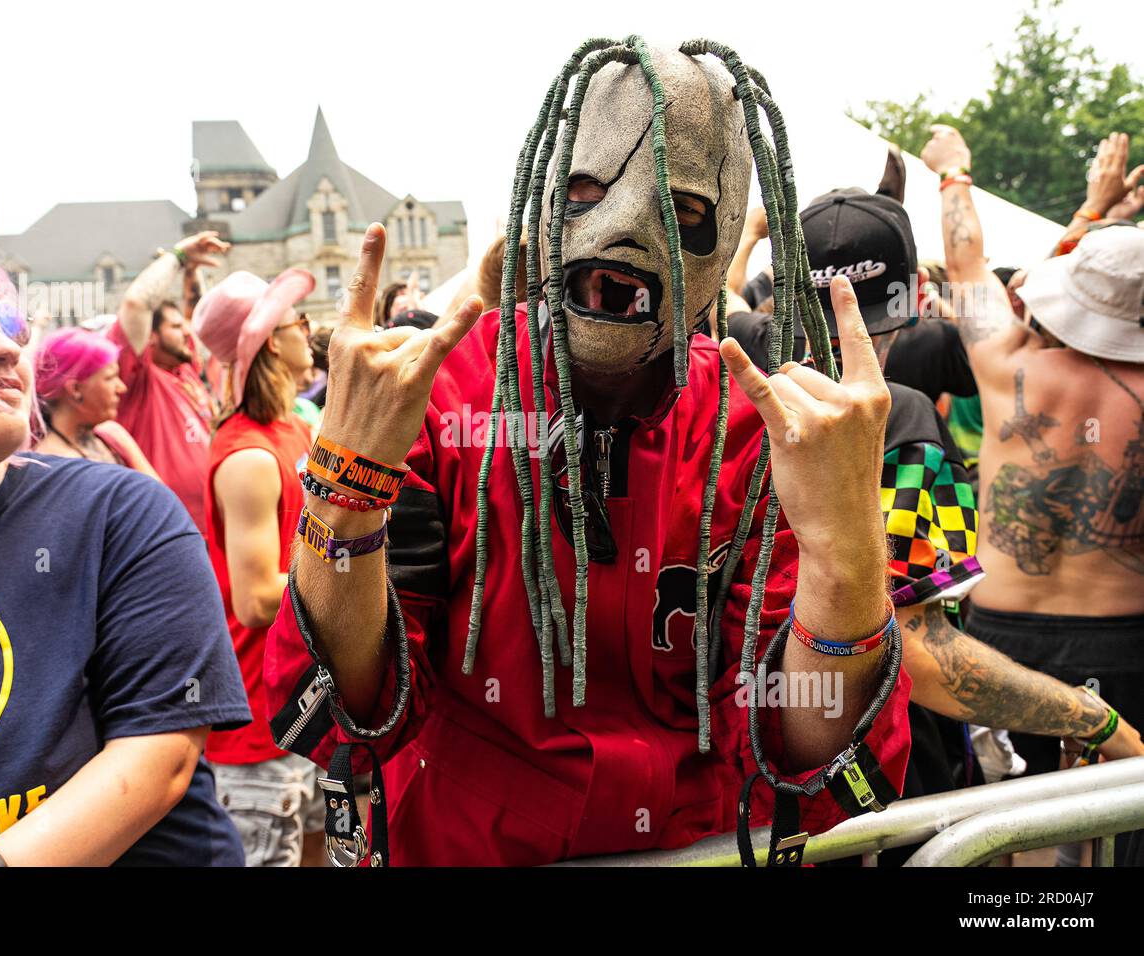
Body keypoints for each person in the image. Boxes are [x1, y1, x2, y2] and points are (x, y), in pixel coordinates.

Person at [265, 43, 913, 867]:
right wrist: (346, 486)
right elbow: (355, 715)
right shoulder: (444, 394)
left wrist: (847, 551)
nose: (627, 230)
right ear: (540, 199)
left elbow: (801, 748)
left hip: (700, 846)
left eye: (681, 209)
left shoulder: (763, 431)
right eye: (587, 192)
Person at [0, 199, 251, 866]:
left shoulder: (114, 515)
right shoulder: (150, 377)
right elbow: (135, 317)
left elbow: (160, 756)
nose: (7, 345)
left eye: (5, 320)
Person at [922, 123, 1144, 863]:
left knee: (1001, 821)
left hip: (1000, 635)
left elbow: (964, 260)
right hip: (1124, 641)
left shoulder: (1003, 362)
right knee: (1114, 826)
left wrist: (954, 172)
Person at [192, 269, 323, 867]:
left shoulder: (294, 427)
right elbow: (256, 601)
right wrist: (349, 573)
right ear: (273, 340)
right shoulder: (248, 453)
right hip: (258, 728)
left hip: (310, 705)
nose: (309, 328)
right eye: (297, 320)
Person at [108, 231, 230, 532]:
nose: (187, 331)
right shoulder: (137, 378)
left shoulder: (185, 369)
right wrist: (178, 257)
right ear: (151, 335)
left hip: (213, 530)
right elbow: (137, 303)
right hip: (169, 532)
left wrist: (192, 272)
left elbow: (198, 319)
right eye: (176, 327)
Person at [32, 326, 161, 478]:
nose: (122, 388)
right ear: (75, 389)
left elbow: (161, 496)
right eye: (110, 377)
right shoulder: (48, 464)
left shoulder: (111, 434)